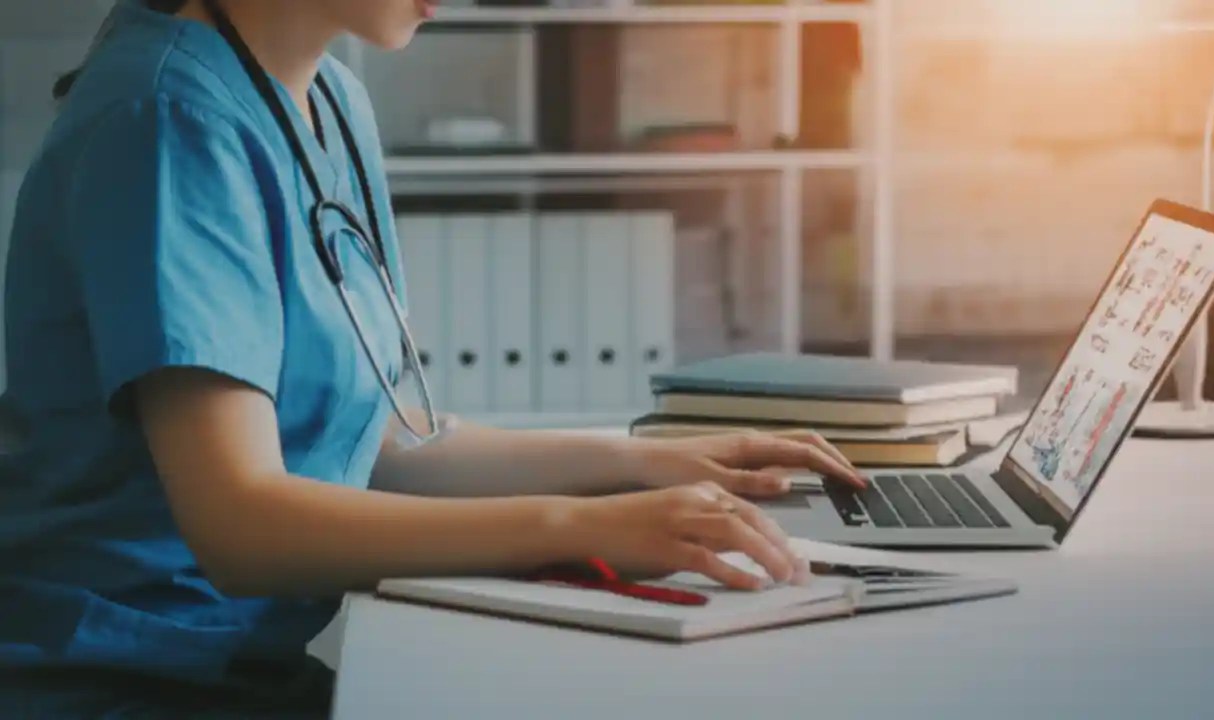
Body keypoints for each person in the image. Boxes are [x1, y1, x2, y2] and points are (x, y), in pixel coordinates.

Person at [0, 0, 866, 717]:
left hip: (242, 671)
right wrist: (583, 529)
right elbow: (241, 524)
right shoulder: (166, 122)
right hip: (120, 683)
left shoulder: (328, 102)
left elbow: (377, 441)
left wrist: (636, 461)